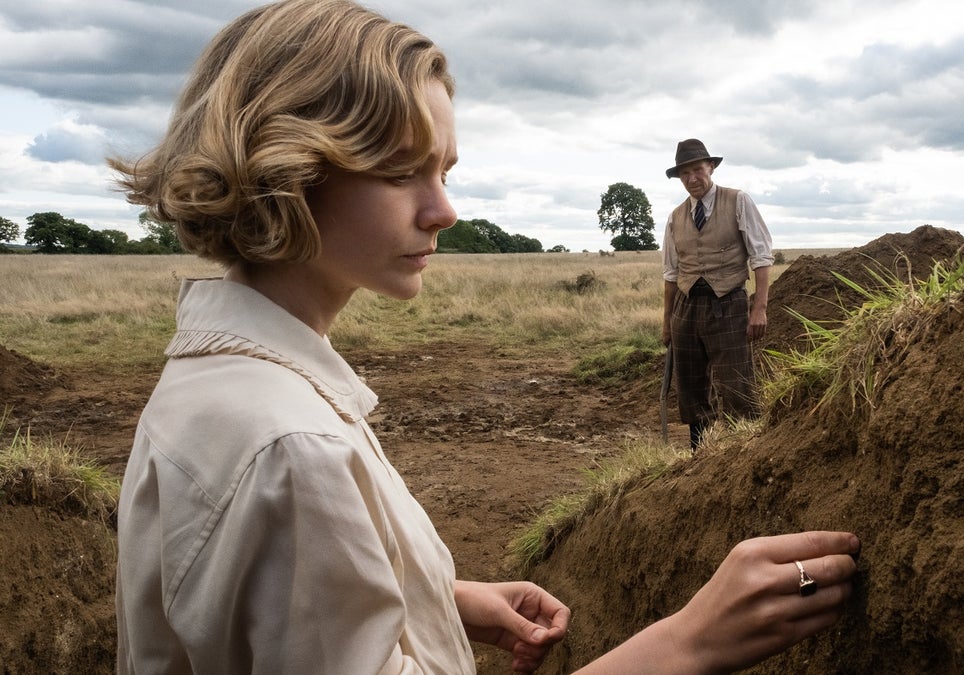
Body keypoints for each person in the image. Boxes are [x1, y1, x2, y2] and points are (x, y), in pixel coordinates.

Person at [111, 1, 859, 672]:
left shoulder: (213, 383)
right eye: (403, 170)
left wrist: (438, 595)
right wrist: (690, 641)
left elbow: (256, 606)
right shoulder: (288, 449)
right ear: (289, 165)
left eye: (444, 169)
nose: (444, 209)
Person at [662, 138, 774, 450]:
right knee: (691, 386)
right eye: (684, 174)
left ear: (710, 167)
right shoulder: (675, 217)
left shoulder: (738, 201)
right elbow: (671, 274)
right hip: (686, 308)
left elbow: (761, 257)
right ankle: (701, 454)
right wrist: (667, 321)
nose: (692, 179)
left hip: (728, 303)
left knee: (736, 383)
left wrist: (760, 308)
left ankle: (746, 450)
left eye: (697, 169)